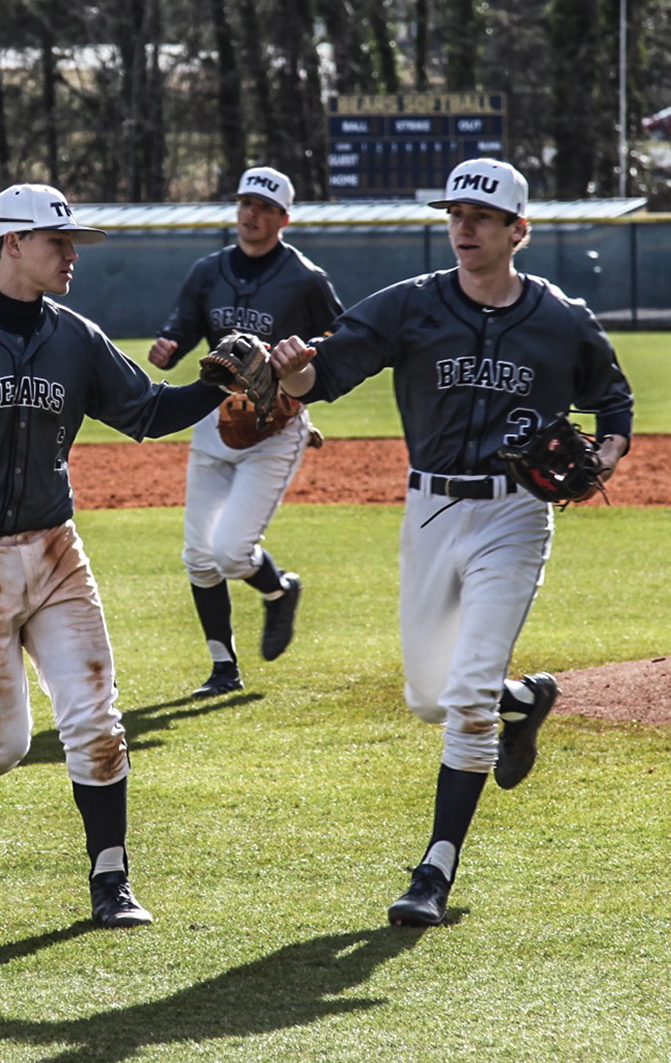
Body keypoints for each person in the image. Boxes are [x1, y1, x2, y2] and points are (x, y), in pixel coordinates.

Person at [0, 183, 232, 928]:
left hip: (55, 549)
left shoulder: (73, 335)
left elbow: (147, 412)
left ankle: (110, 879)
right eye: (60, 242)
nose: (72, 256)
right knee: (5, 745)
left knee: (96, 719)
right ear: (13, 244)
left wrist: (213, 384)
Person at [269, 158, 634, 928]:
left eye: (481, 217)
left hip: (515, 513)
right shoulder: (411, 306)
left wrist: (605, 452)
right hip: (431, 511)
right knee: (431, 696)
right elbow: (322, 376)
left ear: (517, 231)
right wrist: (292, 375)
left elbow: (613, 399)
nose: (463, 228)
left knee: (463, 696)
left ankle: (434, 867)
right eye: (454, 215)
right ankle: (525, 699)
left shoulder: (561, 317)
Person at [146, 167, 343, 698]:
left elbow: (337, 340)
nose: (251, 214)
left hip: (274, 429)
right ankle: (223, 668)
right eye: (244, 203)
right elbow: (184, 327)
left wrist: (300, 371)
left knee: (232, 553)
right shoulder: (208, 271)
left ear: (283, 217)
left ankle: (279, 592)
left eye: (263, 206)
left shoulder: (305, 278)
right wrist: (168, 345)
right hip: (214, 418)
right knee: (197, 556)